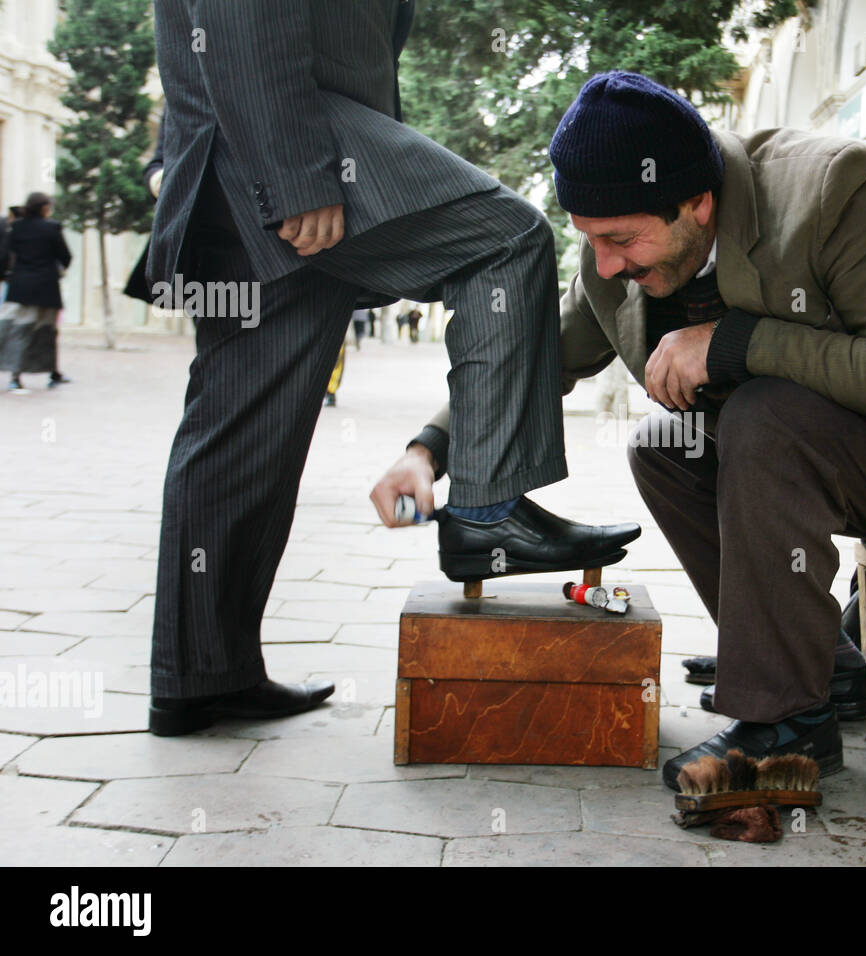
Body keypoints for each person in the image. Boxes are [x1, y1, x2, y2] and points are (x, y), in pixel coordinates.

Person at [380, 72, 866, 788]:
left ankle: (788, 724)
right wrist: (428, 451)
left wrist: (730, 343)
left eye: (621, 241)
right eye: (591, 241)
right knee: (666, 445)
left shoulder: (832, 190)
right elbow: (532, 361)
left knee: (762, 416)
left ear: (697, 203)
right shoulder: (614, 248)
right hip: (847, 453)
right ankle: (819, 667)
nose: (605, 265)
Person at [146, 1, 639, 737]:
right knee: (505, 239)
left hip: (248, 137)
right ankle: (486, 513)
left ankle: (204, 675)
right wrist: (291, 170)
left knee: (245, 423)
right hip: (288, 133)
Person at [0, 192, 72, 393]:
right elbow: (65, 256)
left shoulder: (17, 227)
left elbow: (5, 255)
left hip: (21, 286)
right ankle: (52, 374)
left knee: (20, 330)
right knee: (47, 331)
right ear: (44, 208)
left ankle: (16, 376)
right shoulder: (52, 228)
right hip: (47, 287)